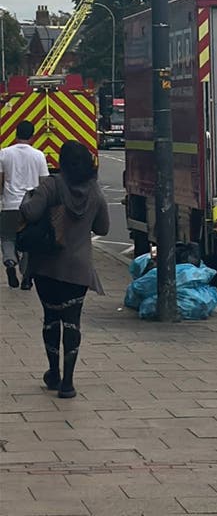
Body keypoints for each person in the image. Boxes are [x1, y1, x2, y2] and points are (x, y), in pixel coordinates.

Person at [20, 141, 109, 398]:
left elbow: (31, 212)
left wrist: (30, 197)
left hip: (47, 266)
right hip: (79, 270)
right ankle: (68, 382)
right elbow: (103, 228)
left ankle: (53, 373)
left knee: (51, 317)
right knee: (72, 322)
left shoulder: (51, 185)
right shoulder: (94, 191)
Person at [0, 119, 49, 290]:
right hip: (32, 207)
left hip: (10, 204)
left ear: (16, 134)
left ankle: (9, 261)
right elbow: (43, 183)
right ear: (33, 136)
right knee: (30, 241)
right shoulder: (39, 155)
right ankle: (27, 278)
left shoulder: (4, 153)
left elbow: (1, 180)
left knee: (7, 237)